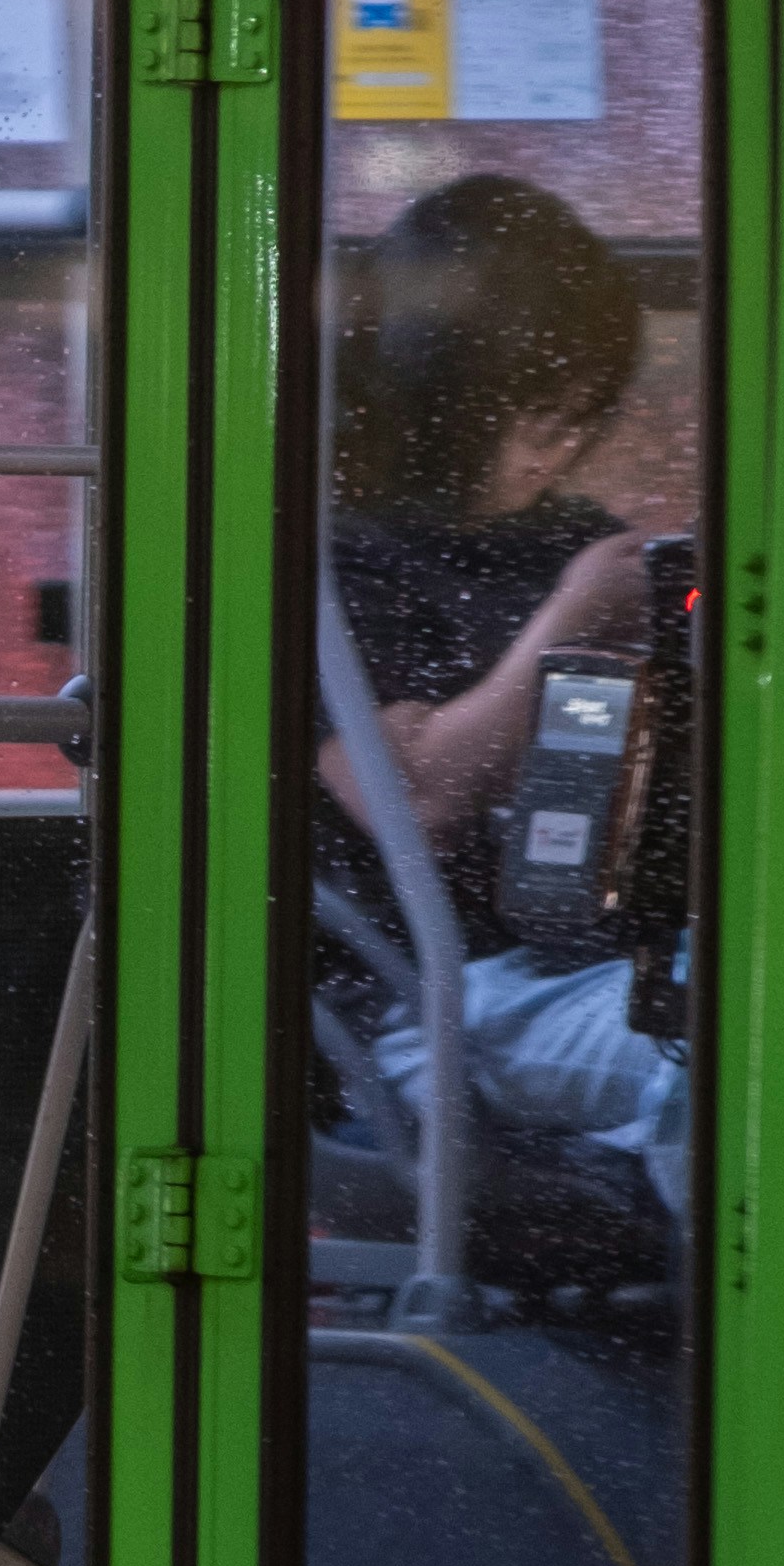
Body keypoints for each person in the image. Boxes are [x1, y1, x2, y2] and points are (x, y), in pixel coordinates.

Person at [317, 168, 689, 1234]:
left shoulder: (574, 540)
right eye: (539, 412)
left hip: (606, 944)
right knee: (726, 1058)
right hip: (430, 992)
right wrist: (574, 620)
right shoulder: (333, 563)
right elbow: (416, 793)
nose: (562, 448)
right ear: (449, 389)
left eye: (584, 418)